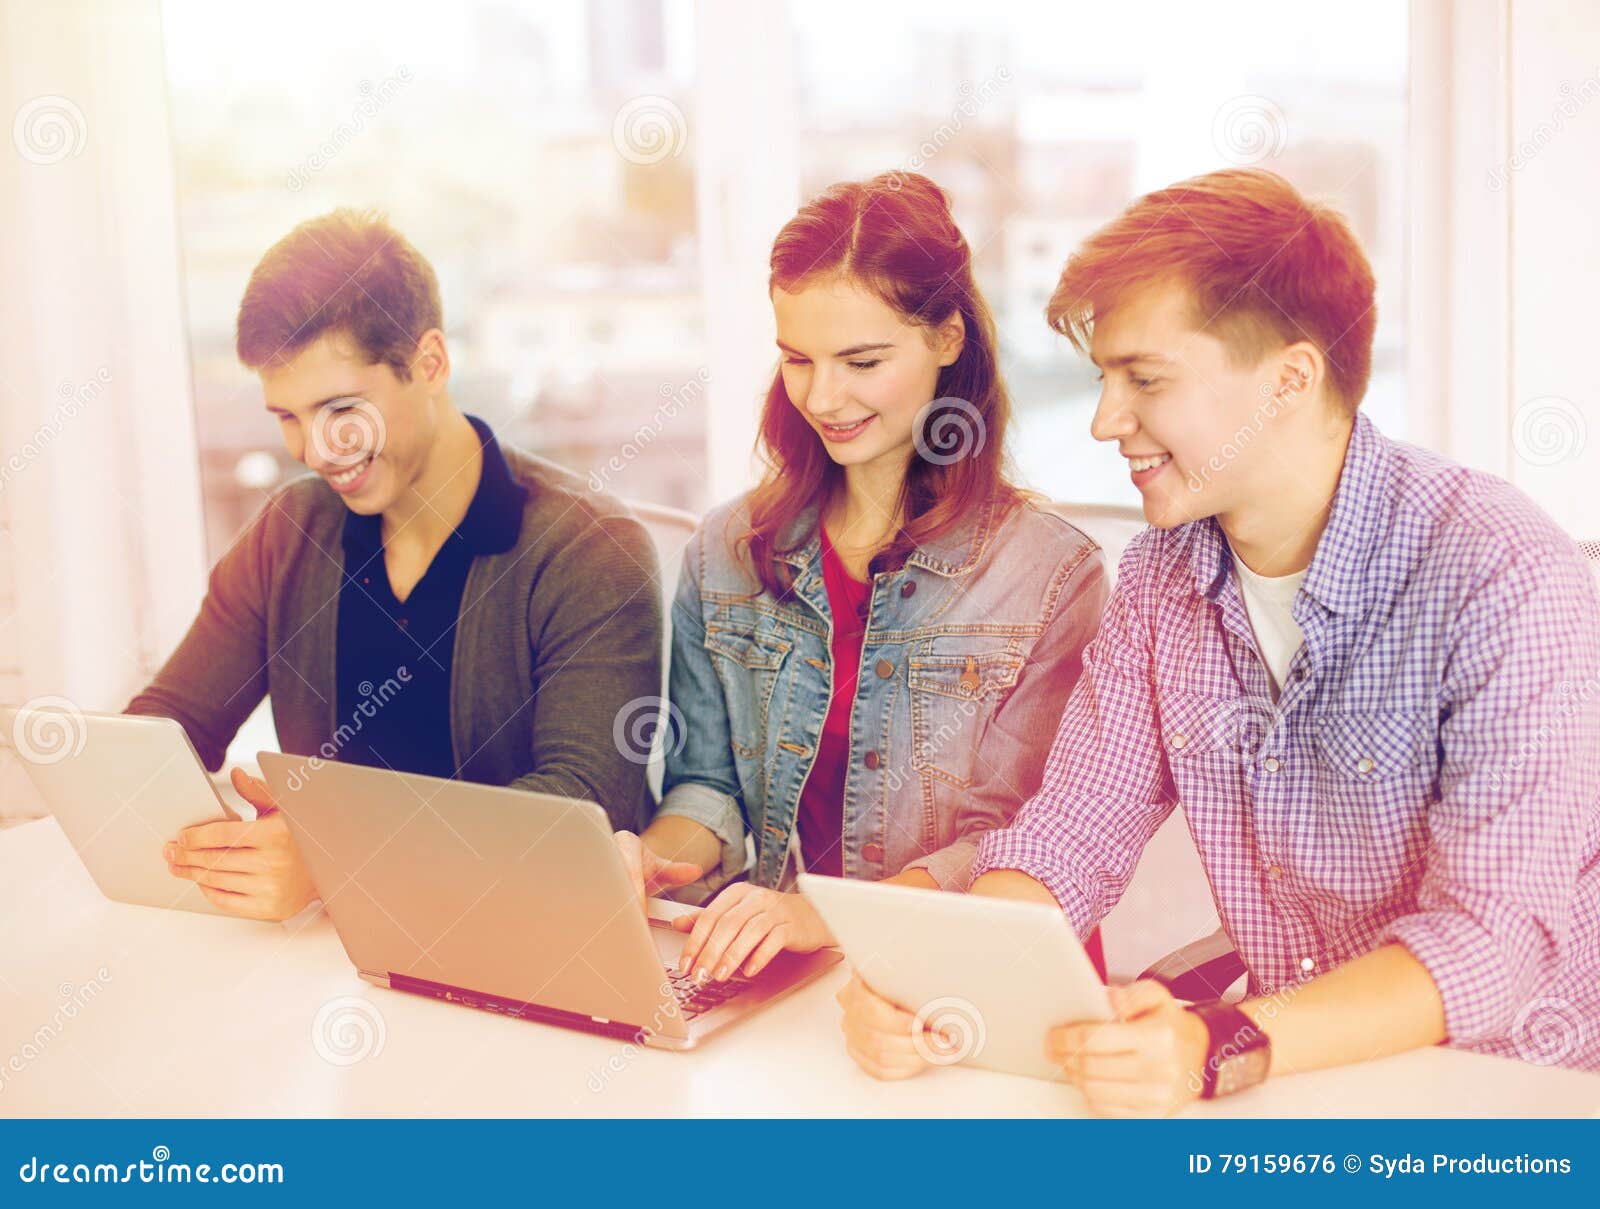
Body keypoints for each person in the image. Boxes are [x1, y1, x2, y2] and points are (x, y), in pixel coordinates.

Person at [839, 167, 1600, 1110]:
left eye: (1144, 380)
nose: (1105, 420)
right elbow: (1071, 837)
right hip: (1280, 1078)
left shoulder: (1501, 572)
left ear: (1289, 380)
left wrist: (1225, 1039)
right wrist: (947, 987)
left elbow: (1493, 942)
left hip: (1511, 1090)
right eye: (1104, 377)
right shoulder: (1164, 574)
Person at [615, 173, 1107, 984]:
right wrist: (653, 860)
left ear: (948, 338)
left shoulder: (1052, 575)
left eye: (862, 360)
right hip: (802, 975)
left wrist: (828, 916)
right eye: (798, 359)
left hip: (979, 980)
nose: (822, 395)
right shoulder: (726, 550)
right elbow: (708, 787)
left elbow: (1012, 843)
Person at [129, 209, 663, 921]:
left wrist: (332, 857)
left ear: (431, 363)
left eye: (340, 407)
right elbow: (169, 726)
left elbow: (581, 808)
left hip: (529, 943)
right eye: (286, 416)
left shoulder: (590, 550)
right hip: (345, 955)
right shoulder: (290, 532)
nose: (316, 450)